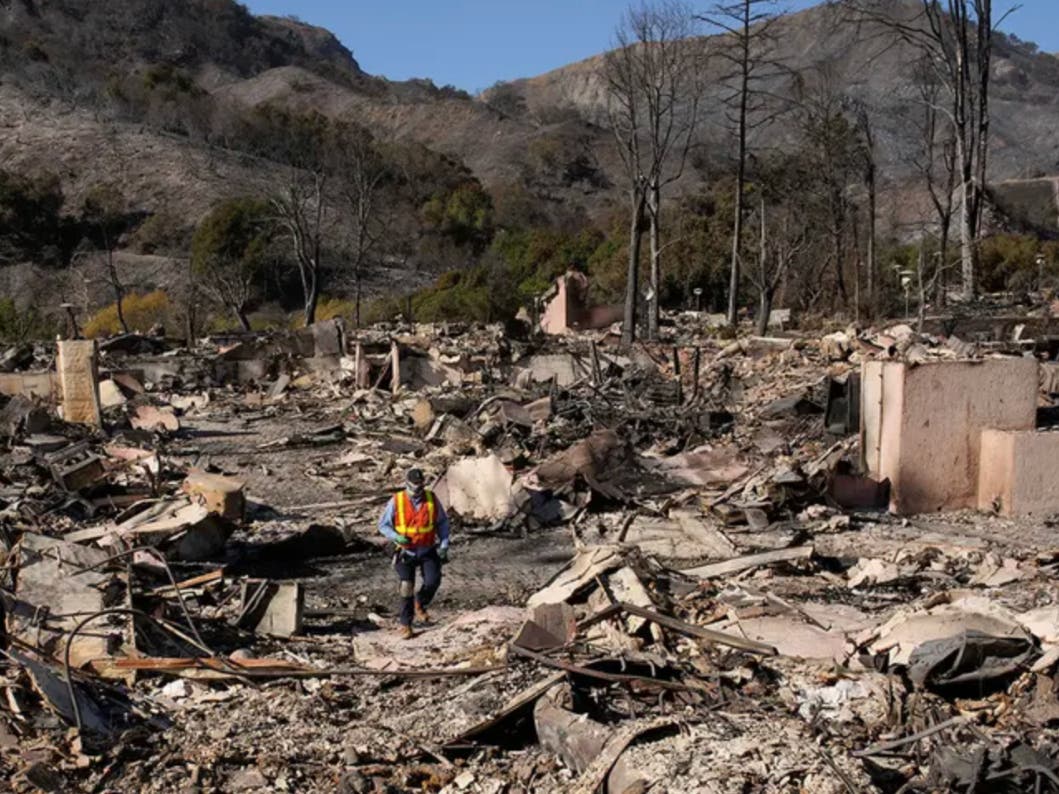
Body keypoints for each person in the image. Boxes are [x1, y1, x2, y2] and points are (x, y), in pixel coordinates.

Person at [377, 468, 450, 639]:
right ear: (407, 484)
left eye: (420, 485)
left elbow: (442, 522)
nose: (418, 489)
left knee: (433, 581)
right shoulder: (397, 500)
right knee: (406, 586)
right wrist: (396, 536)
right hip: (405, 551)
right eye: (414, 485)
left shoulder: (431, 499)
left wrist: (444, 544)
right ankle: (406, 624)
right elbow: (383, 525)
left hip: (427, 548)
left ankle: (420, 603)